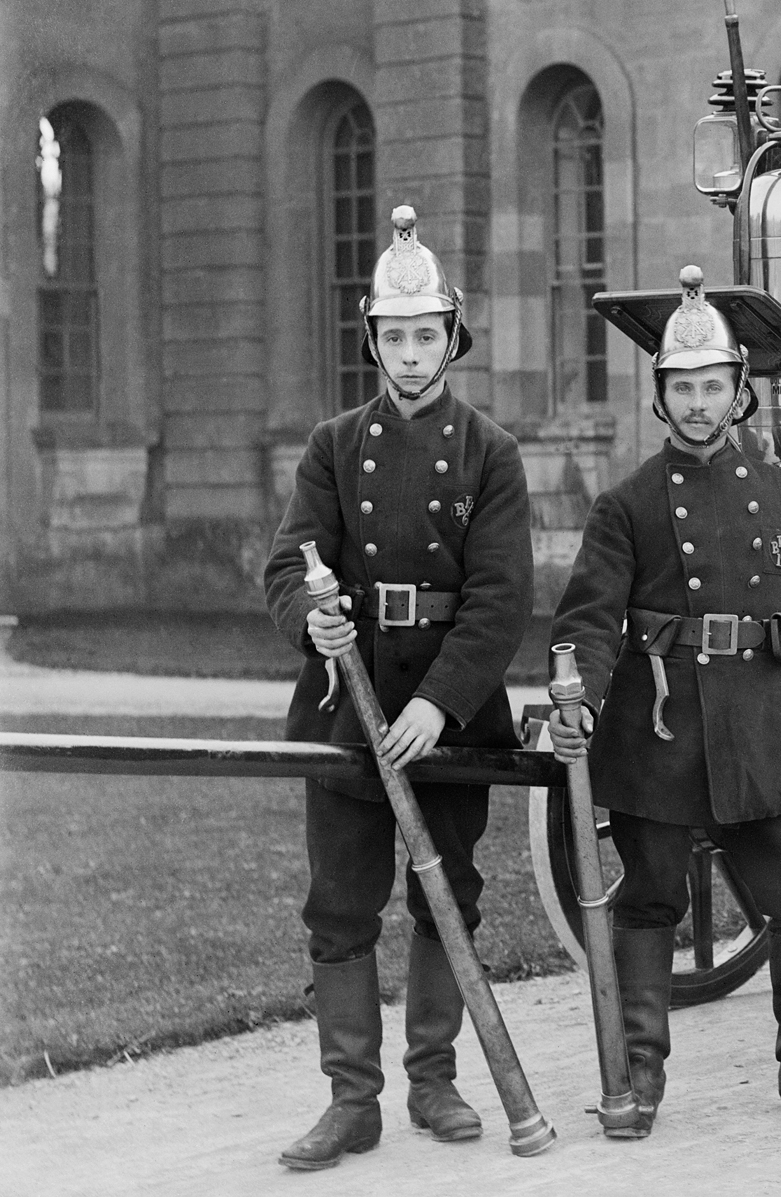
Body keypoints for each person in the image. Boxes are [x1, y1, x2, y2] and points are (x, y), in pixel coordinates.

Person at [548, 264, 781, 1134]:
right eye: (682, 388)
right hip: (659, 726)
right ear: (660, 399)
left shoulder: (777, 490)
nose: (697, 403)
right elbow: (587, 618)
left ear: (738, 394)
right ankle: (641, 1075)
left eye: (712, 386)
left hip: (760, 723)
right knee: (651, 900)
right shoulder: (626, 505)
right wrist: (575, 696)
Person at [263, 206, 533, 1172]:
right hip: (347, 711)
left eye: (427, 336)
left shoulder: (491, 454)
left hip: (445, 719)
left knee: (446, 896)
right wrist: (314, 621)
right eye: (394, 337)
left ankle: (433, 1080)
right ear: (371, 339)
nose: (411, 354)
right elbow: (289, 567)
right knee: (340, 905)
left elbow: (503, 600)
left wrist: (439, 703)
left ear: (451, 337)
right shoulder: (334, 446)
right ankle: (352, 1100)